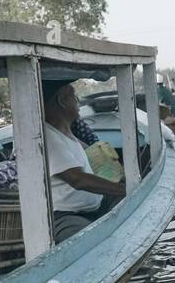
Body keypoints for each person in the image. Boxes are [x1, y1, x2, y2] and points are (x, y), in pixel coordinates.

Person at [43, 84, 126, 239]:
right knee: (93, 240)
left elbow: (93, 154)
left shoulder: (65, 132)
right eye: (74, 96)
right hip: (65, 216)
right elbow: (77, 179)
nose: (78, 100)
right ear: (62, 101)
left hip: (98, 205)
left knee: (136, 205)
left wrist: (126, 180)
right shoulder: (48, 137)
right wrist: (124, 189)